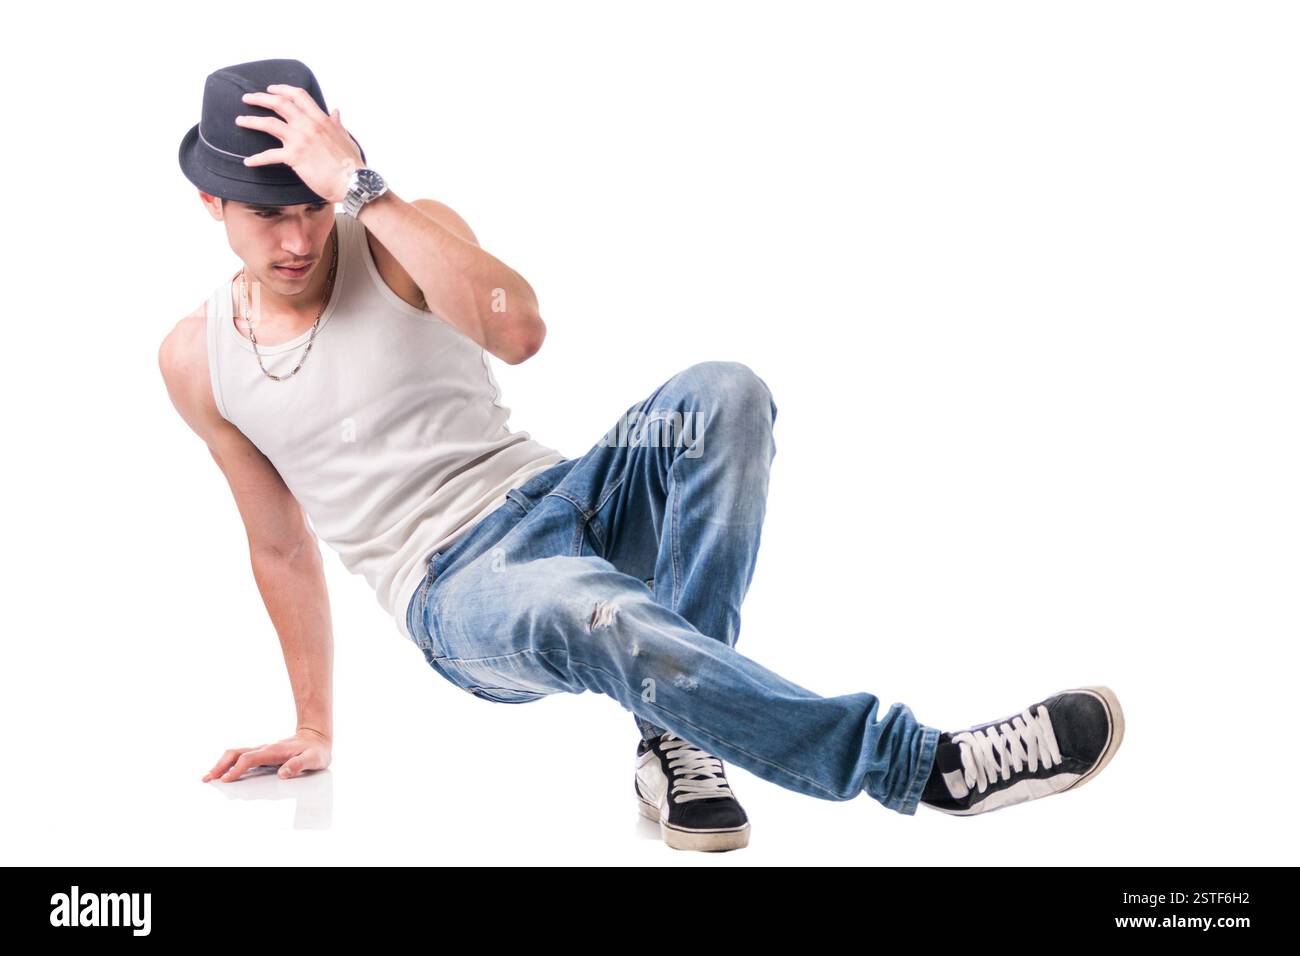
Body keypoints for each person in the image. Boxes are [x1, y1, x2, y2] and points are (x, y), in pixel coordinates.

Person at [160, 58, 1125, 852]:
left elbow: (521, 332)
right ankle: (928, 768)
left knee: (722, 395)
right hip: (455, 590)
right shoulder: (199, 359)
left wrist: (364, 190)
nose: (295, 237)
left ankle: (677, 741)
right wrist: (317, 724)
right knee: (598, 611)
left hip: (564, 493)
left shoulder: (397, 235)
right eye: (265, 215)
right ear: (212, 202)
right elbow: (280, 546)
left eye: (309, 206)